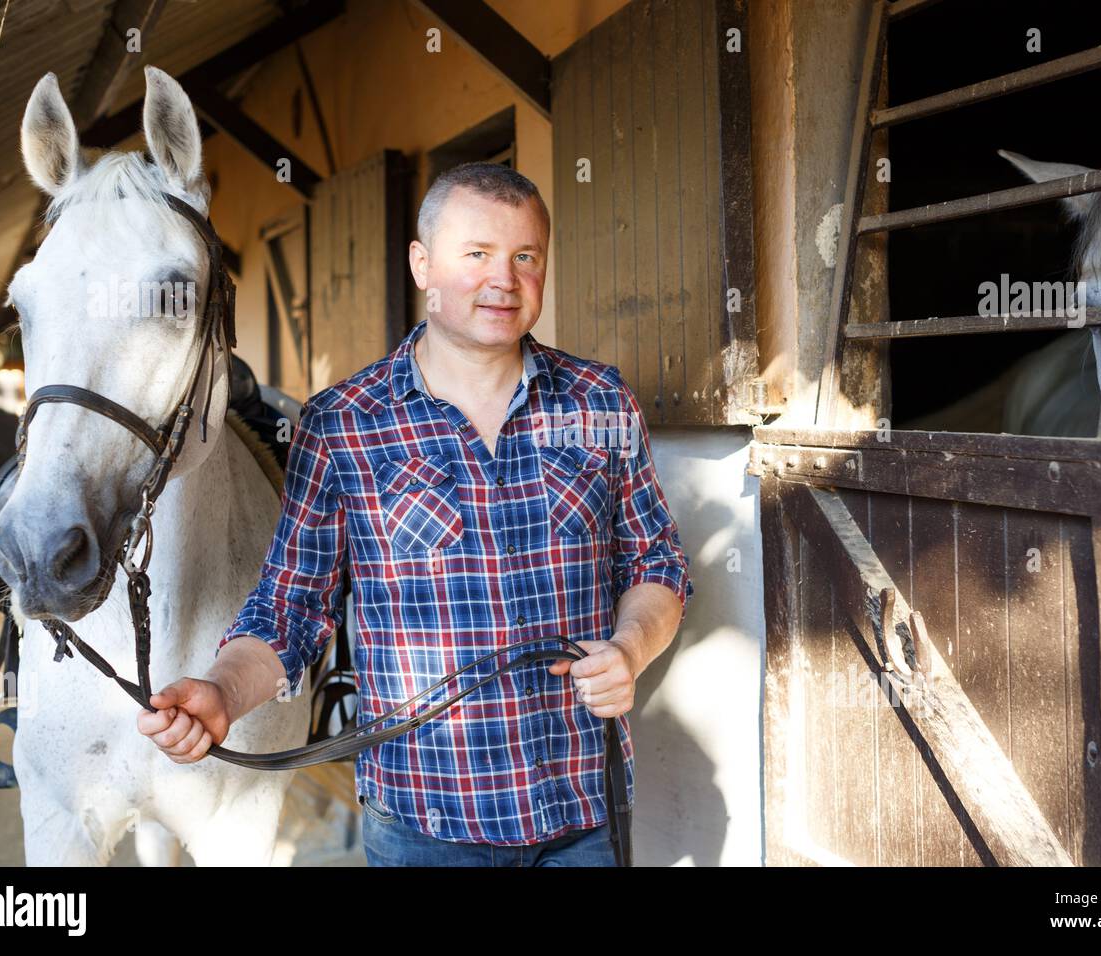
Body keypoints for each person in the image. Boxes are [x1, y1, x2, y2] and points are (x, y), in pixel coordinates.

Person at [135, 161, 693, 866]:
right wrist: (222, 693)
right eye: (477, 254)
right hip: (424, 826)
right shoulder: (343, 424)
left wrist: (631, 649)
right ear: (422, 265)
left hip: (583, 811)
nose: (504, 280)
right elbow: (292, 608)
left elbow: (657, 562)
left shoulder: (599, 402)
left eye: (525, 257)